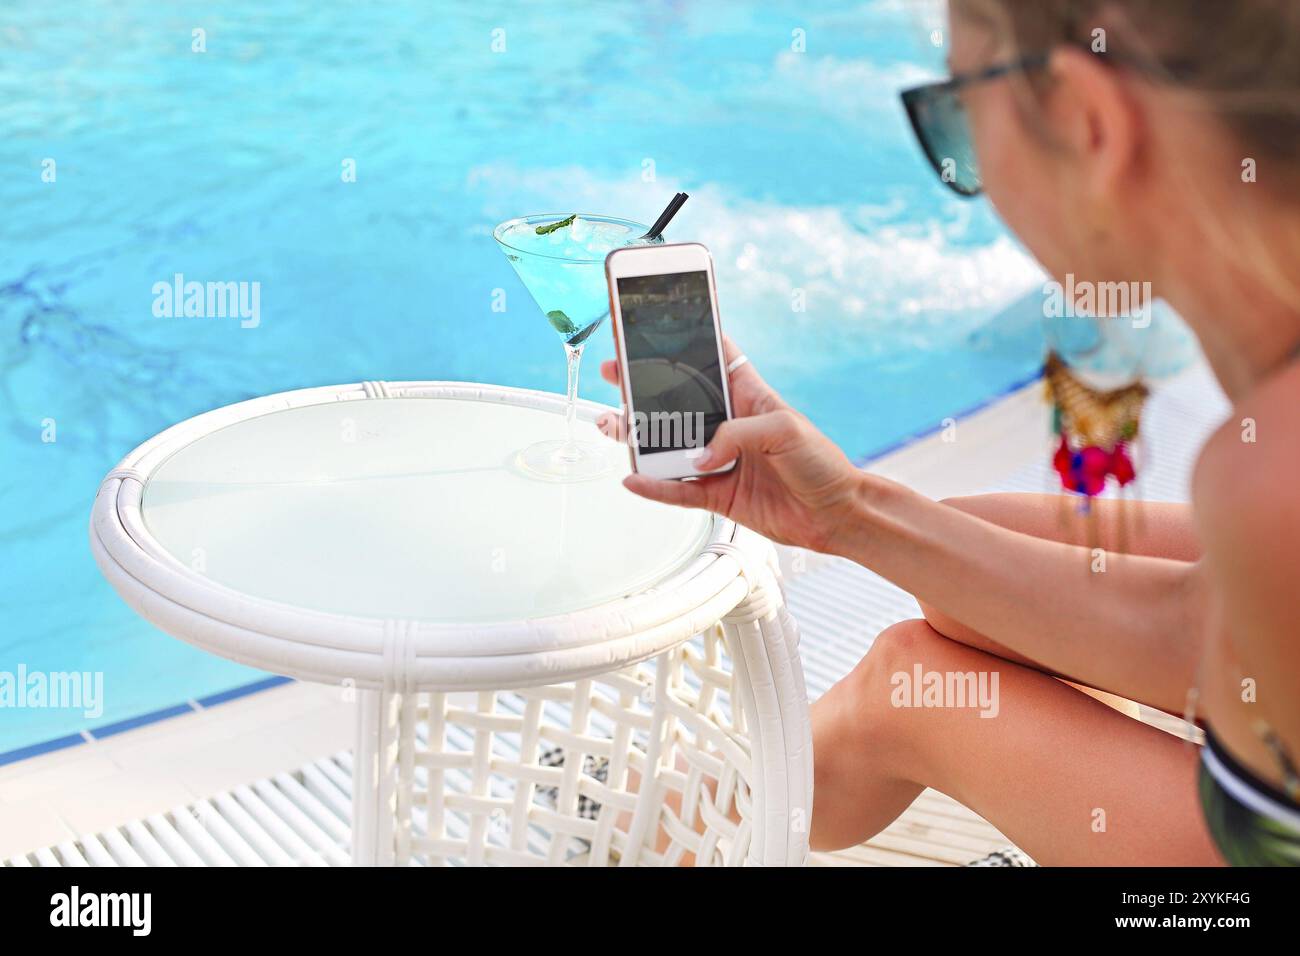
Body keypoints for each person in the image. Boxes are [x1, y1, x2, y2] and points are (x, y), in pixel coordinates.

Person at [598, 0, 1300, 865]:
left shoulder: (1273, 476)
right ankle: (646, 824)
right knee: (973, 557)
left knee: (913, 687)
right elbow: (1215, 633)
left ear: (1090, 122)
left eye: (956, 121)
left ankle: (618, 838)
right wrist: (847, 510)